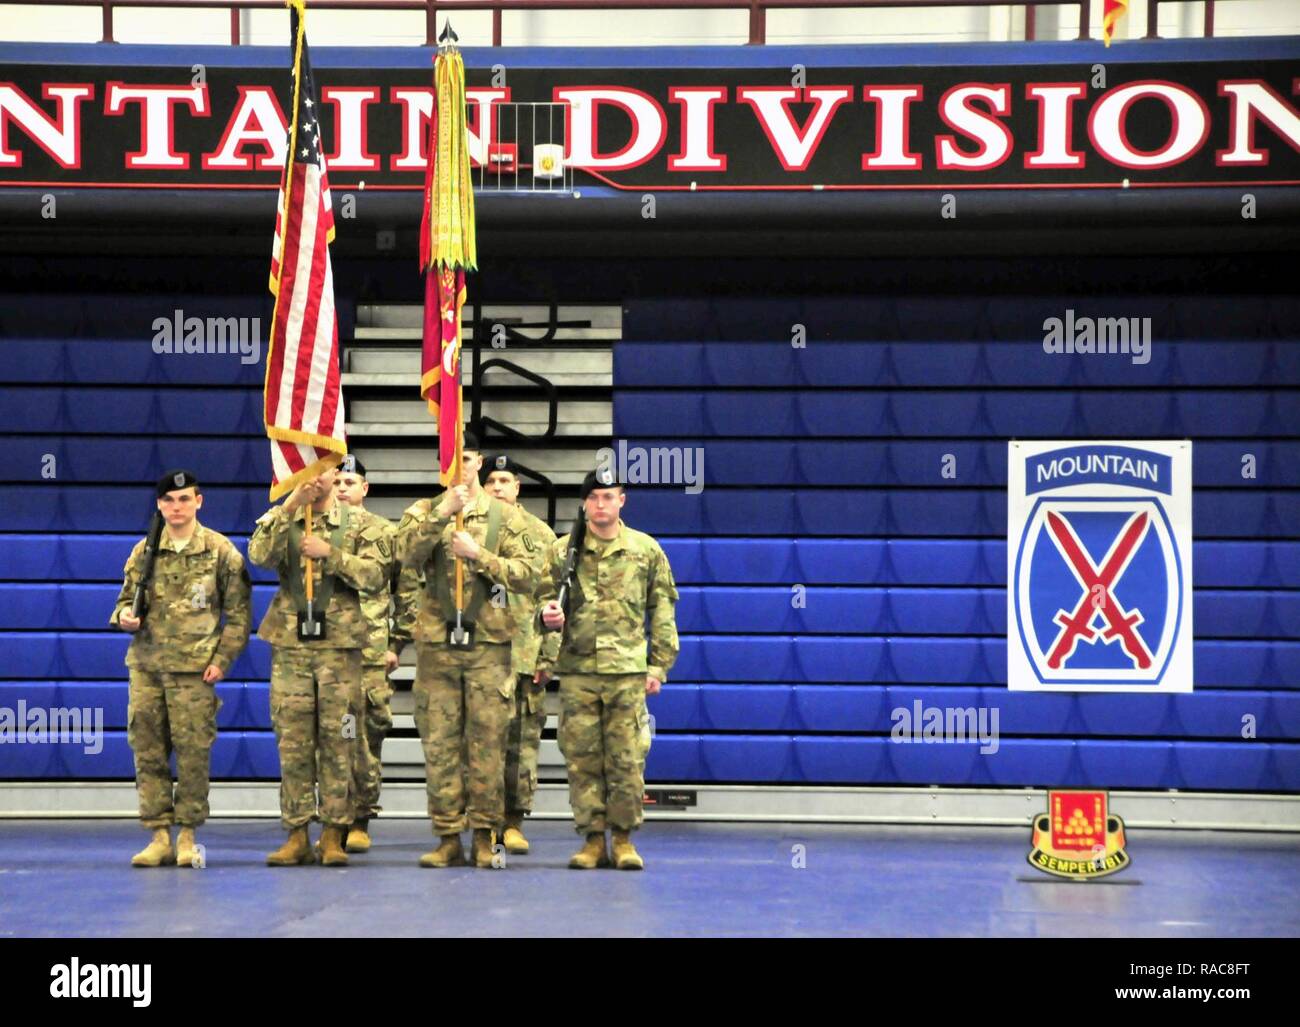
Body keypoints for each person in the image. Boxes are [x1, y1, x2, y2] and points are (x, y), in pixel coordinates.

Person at [394, 431, 539, 868]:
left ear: (478, 462)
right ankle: (447, 836)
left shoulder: (507, 518)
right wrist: (443, 514)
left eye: (468, 455)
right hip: (438, 647)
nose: (460, 462)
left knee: (487, 745)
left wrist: (481, 556)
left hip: (489, 647)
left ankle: (484, 834)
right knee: (439, 745)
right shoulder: (422, 510)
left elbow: (530, 574)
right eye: (451, 455)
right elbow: (403, 556)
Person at [537, 467, 679, 870]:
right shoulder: (563, 551)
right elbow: (539, 603)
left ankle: (624, 838)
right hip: (579, 671)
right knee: (582, 760)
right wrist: (545, 626)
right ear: (584, 503)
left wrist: (659, 665)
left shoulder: (645, 549)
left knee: (627, 758)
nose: (601, 505)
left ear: (622, 500)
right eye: (594, 497)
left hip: (627, 672)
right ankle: (593, 839)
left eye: (609, 496)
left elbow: (663, 608)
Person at [110, 470, 251, 868]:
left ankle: (188, 834)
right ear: (159, 505)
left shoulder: (222, 552)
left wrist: (222, 661)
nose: (177, 507)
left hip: (195, 671)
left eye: (185, 499)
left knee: (192, 755)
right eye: (169, 501)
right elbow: (123, 602)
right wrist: (124, 617)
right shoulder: (144, 551)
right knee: (148, 752)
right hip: (147, 667)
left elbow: (239, 617)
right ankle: (158, 835)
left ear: (199, 502)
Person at [248, 462, 385, 867]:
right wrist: (290, 505)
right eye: (310, 469)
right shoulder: (286, 516)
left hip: (339, 650)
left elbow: (377, 576)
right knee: (293, 743)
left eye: (326, 470)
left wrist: (333, 555)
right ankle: (295, 834)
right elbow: (258, 554)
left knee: (339, 743)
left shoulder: (362, 524)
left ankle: (333, 834)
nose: (318, 478)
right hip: (292, 647)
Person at [334, 455, 416, 852]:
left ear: (365, 489)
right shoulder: (316, 529)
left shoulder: (385, 532)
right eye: (337, 482)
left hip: (368, 654)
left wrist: (397, 643)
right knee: (329, 737)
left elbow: (408, 590)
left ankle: (361, 818)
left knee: (366, 739)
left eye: (350, 482)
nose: (342, 488)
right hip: (326, 654)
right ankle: (331, 819)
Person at [482, 453, 558, 855]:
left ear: (517, 488)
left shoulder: (541, 535)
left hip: (523, 654)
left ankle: (512, 822)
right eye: (491, 480)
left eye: (505, 480)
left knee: (521, 746)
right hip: (478, 656)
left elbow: (555, 601)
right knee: (481, 744)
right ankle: (483, 823)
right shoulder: (469, 530)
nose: (497, 487)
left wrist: (548, 657)